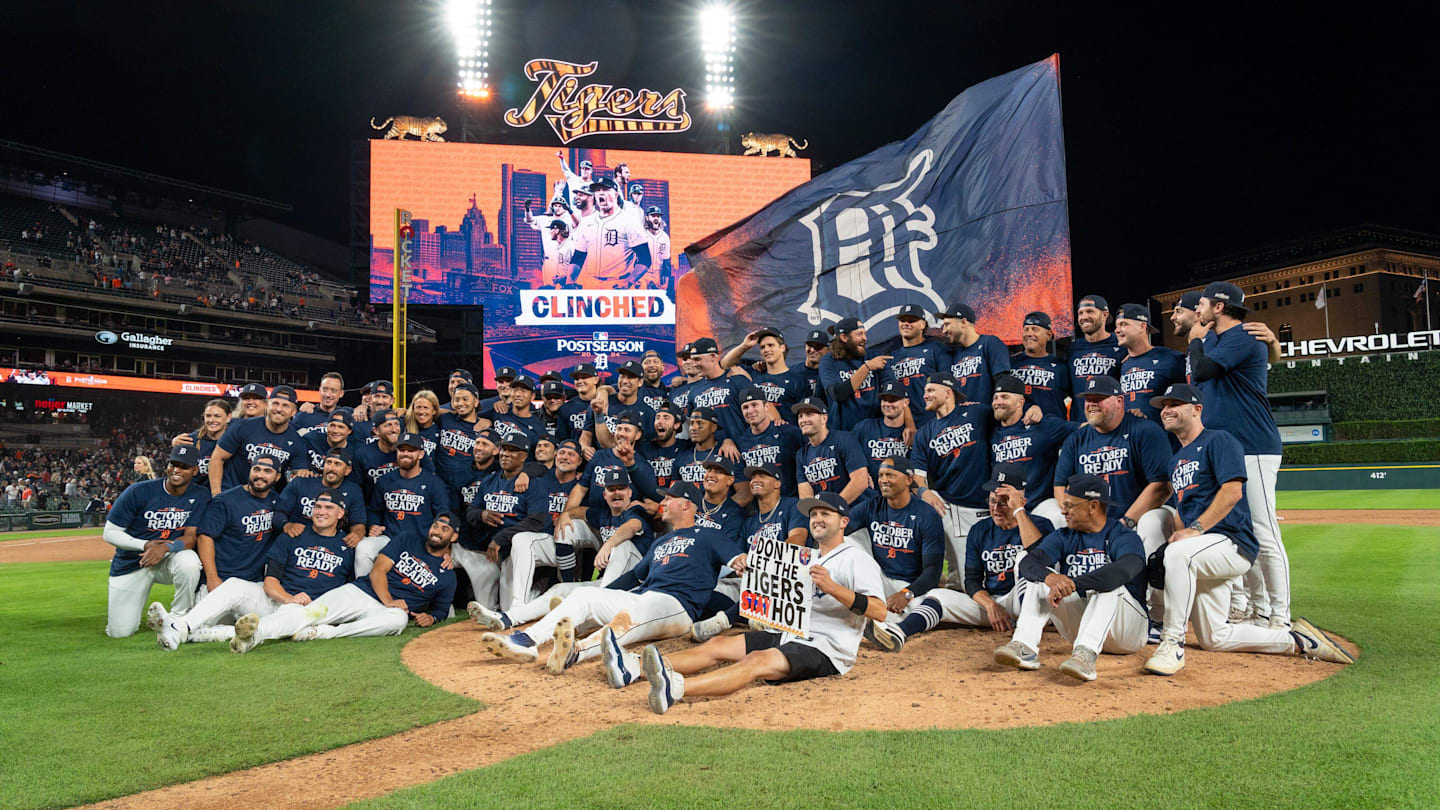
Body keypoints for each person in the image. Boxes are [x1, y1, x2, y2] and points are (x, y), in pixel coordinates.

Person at [1144, 384, 1352, 675]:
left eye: (1174, 404)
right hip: (1200, 550)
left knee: (1179, 556)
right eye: (1164, 406)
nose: (1166, 410)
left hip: (1231, 542)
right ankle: (1299, 641)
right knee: (1215, 637)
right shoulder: (1176, 459)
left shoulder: (1219, 440)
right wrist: (1177, 536)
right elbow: (1182, 509)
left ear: (1197, 409)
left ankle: (1172, 643)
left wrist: (1195, 531)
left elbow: (1232, 492)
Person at [631, 492, 887, 713]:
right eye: (813, 514)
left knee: (757, 661)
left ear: (843, 522)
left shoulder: (856, 558)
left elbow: (879, 611)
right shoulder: (806, 557)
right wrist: (753, 574)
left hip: (828, 647)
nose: (817, 519)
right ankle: (634, 667)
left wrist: (833, 588)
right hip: (791, 632)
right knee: (719, 644)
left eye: (825, 514)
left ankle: (675, 689)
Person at [477, 482, 746, 675]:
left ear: (686, 504)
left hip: (676, 606)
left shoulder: (709, 535)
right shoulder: (661, 542)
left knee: (629, 618)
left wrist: (742, 563)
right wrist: (604, 595)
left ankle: (576, 651)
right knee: (584, 595)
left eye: (669, 499)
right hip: (643, 596)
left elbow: (738, 560)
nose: (662, 503)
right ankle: (526, 641)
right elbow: (634, 577)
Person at [1187, 282, 1290, 629]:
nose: (1198, 309)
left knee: (1264, 532)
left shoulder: (1242, 335)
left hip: (1253, 445)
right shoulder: (1218, 339)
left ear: (1218, 306)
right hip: (1227, 448)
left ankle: (1279, 616)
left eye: (1202, 303)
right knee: (1242, 533)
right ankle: (1257, 610)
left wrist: (1196, 341)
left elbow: (1203, 370)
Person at [866, 463, 1055, 650]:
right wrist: (990, 605)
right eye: (992, 501)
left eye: (1004, 502)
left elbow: (1040, 565)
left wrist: (1019, 511)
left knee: (1026, 563)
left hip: (1028, 605)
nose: (996, 508)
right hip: (993, 606)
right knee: (938, 596)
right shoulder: (979, 530)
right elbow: (972, 581)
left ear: (1021, 502)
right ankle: (899, 632)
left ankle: (1024, 638)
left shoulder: (1042, 526)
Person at [992, 474, 1151, 682]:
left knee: (1110, 585)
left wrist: (1073, 584)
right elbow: (1028, 563)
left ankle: (1086, 655)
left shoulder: (1122, 536)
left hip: (1127, 631)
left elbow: (1126, 569)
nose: (1063, 511)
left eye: (1069, 505)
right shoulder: (1064, 536)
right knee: (1041, 578)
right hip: (1080, 626)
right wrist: (1050, 578)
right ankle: (1024, 646)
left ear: (1092, 506)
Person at [154, 489, 356, 649]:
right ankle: (181, 627)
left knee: (292, 617)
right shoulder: (293, 535)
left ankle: (214, 633)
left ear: (340, 513)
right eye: (318, 506)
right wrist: (288, 598)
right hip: (278, 599)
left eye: (328, 508)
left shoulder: (348, 547)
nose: (321, 512)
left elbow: (346, 595)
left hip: (304, 610)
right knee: (234, 585)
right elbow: (270, 582)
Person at [230, 512, 461, 652]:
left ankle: (325, 633)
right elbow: (377, 572)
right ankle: (255, 635)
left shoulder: (448, 576)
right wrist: (389, 600)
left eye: (445, 529)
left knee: (398, 622)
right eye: (435, 525)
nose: (437, 531)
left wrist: (430, 618)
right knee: (310, 613)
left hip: (388, 611)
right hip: (362, 592)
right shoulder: (408, 539)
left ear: (453, 537)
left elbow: (440, 611)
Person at [1052, 376, 1173, 551]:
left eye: (1099, 399)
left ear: (1119, 401)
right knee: (1053, 514)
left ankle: (1152, 568)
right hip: (1091, 521)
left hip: (1136, 519)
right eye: (1088, 400)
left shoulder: (1146, 431)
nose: (1092, 404)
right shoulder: (1076, 439)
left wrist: (1126, 522)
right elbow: (1060, 486)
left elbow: (1162, 486)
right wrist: (1080, 516)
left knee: (1153, 521)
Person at [102, 445, 210, 638]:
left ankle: (177, 618)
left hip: (168, 559)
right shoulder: (138, 491)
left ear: (195, 470)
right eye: (173, 464)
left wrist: (166, 547)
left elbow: (190, 537)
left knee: (189, 563)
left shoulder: (200, 494)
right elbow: (110, 533)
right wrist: (145, 545)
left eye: (184, 466)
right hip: (133, 562)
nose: (176, 470)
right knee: (120, 632)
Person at [909, 373, 991, 580]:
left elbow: (1008, 419)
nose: (925, 395)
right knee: (966, 578)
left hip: (989, 505)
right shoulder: (925, 433)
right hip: (953, 507)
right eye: (925, 391)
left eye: (930, 390)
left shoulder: (977, 412)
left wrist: (1033, 409)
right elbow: (917, 476)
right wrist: (924, 491)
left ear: (948, 392)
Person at [454, 436, 543, 610]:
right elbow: (471, 511)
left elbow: (535, 521)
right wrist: (482, 514)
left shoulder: (533, 483)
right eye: (504, 449)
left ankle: (539, 595)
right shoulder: (490, 480)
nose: (505, 454)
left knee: (510, 608)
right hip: (490, 550)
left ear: (524, 456)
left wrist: (500, 539)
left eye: (512, 451)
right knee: (488, 607)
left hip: (517, 550)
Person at [359, 432, 450, 576]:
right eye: (402, 450)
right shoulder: (385, 480)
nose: (405, 453)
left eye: (411, 450)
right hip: (390, 537)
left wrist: (445, 548)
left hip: (421, 542)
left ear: (421, 454)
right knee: (364, 548)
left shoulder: (434, 483)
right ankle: (364, 587)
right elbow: (375, 510)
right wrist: (373, 526)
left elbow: (444, 517)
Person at [989, 374, 1073, 521]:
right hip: (1008, 507)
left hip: (1041, 504)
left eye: (1004, 397)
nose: (998, 402)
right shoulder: (991, 432)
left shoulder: (1043, 425)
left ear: (1020, 402)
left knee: (1058, 517)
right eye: (995, 398)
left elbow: (1084, 429)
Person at [196, 456, 282, 595]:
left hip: (254, 583)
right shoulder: (225, 501)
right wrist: (212, 578)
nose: (260, 475)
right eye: (256, 469)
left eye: (267, 471)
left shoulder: (277, 502)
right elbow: (204, 538)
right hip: (222, 579)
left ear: (277, 477)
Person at [209, 385, 304, 495]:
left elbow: (300, 473)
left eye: (285, 406)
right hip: (232, 493)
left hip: (264, 499)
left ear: (294, 412)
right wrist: (216, 494)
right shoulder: (242, 426)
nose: (279, 409)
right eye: (275, 403)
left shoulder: (297, 440)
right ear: (267, 405)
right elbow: (217, 458)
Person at [274, 447, 367, 545]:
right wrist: (287, 525)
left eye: (337, 464)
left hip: (330, 543)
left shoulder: (353, 491)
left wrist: (357, 533)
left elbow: (358, 522)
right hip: (297, 537)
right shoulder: (301, 482)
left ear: (347, 470)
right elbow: (278, 512)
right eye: (328, 462)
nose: (331, 468)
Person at [793, 397, 872, 505]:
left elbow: (860, 481)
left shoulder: (844, 439)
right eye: (800, 416)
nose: (803, 420)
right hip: (828, 512)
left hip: (860, 508)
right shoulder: (801, 454)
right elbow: (805, 497)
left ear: (824, 418)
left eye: (809, 414)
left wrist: (834, 508)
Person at [1115, 303, 1185, 423]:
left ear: (1142, 326)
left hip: (1163, 432)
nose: (1117, 330)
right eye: (1116, 326)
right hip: (1130, 432)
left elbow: (1187, 399)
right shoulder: (1124, 364)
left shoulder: (1171, 358)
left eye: (1124, 324)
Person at [733, 387, 805, 500]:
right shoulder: (741, 442)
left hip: (790, 501)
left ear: (766, 406)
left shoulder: (788, 432)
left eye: (754, 405)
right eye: (745, 407)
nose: (750, 411)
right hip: (760, 505)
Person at [938, 301, 1011, 411]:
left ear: (963, 322)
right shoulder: (953, 353)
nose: (944, 331)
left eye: (947, 324)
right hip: (960, 418)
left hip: (986, 415)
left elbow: (1003, 381)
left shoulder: (990, 343)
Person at [1066, 294, 1126, 422]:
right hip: (1080, 425)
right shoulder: (1073, 348)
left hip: (1112, 423)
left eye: (1090, 311)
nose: (1084, 317)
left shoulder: (1121, 344)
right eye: (1080, 313)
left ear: (1104, 315)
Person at [721, 327, 809, 412]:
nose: (766, 350)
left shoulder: (797, 380)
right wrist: (745, 346)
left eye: (771, 345)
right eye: (762, 347)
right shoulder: (754, 373)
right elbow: (725, 364)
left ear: (783, 347)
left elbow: (802, 412)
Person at [818, 317, 882, 431]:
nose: (865, 338)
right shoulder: (828, 361)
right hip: (843, 431)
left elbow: (891, 390)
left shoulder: (873, 356)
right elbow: (837, 393)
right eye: (860, 334)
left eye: (864, 333)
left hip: (874, 430)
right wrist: (866, 368)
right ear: (844, 337)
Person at [1009, 311, 1070, 420]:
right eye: (1026, 329)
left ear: (1049, 335)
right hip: (1018, 428)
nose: (1029, 333)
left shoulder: (1061, 367)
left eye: (1035, 329)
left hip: (1051, 428)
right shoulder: (1010, 363)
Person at [850, 381, 911, 486]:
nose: (887, 404)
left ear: (905, 402)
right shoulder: (864, 427)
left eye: (893, 400)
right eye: (884, 400)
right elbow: (849, 456)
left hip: (899, 491)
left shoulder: (912, 435)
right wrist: (860, 474)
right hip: (869, 491)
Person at [170, 398, 232, 491]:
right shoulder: (190, 440)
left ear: (228, 417)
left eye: (217, 416)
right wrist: (176, 447)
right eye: (208, 416)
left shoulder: (236, 440)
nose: (212, 420)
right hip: (196, 495)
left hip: (228, 495)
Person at [799, 329, 829, 401]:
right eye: (810, 346)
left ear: (828, 350)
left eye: (818, 346)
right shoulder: (793, 372)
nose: (812, 350)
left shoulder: (831, 374)